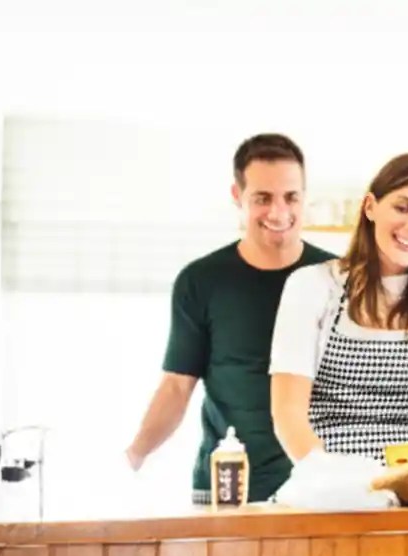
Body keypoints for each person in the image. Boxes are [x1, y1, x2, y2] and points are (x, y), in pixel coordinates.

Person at [126, 133, 335, 503]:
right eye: (262, 198)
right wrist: (133, 456)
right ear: (237, 197)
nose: (279, 213)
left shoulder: (337, 277)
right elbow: (176, 387)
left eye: (291, 197)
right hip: (228, 488)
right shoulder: (202, 281)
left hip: (317, 490)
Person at [269, 153, 408, 481]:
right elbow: (287, 413)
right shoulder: (313, 287)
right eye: (402, 207)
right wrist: (334, 483)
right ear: (370, 207)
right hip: (331, 487)